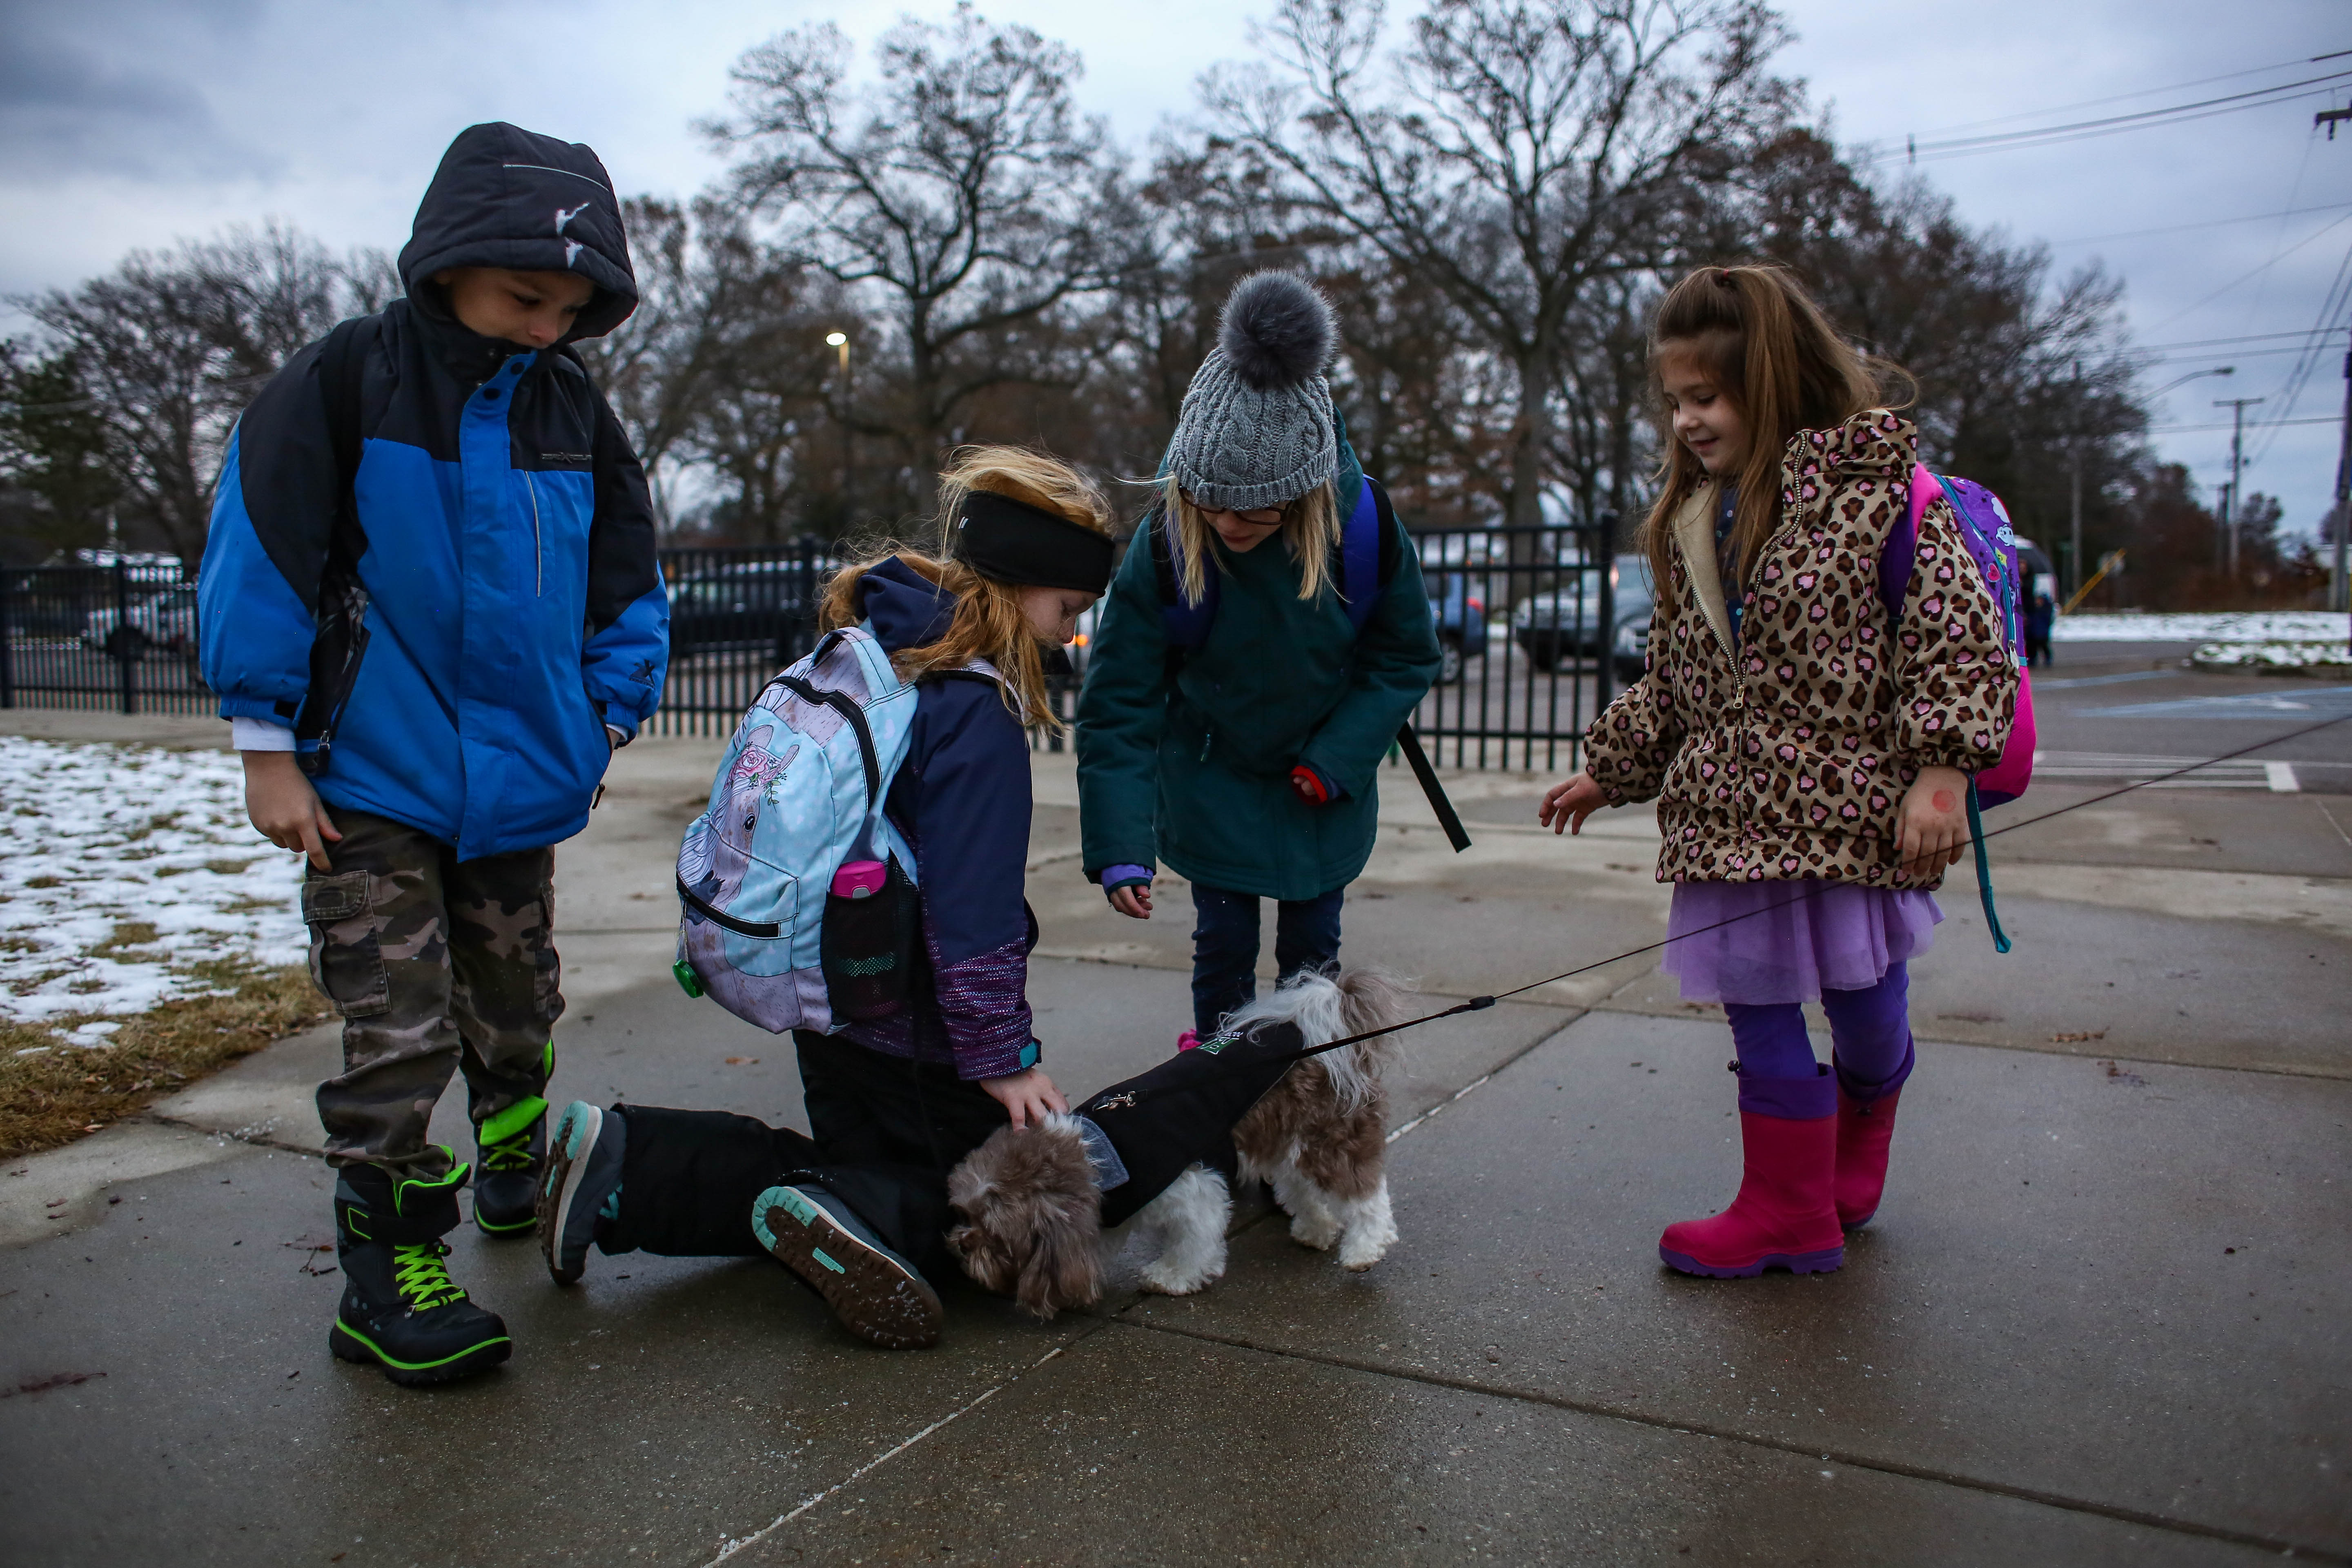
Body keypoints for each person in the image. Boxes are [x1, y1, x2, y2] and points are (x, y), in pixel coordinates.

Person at [198, 123, 668, 1385]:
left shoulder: (574, 405)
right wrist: (265, 744)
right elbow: (262, 547)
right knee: (396, 1029)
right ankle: (389, 1273)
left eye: (570, 309)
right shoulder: (350, 377)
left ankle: (516, 1156)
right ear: (450, 266)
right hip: (366, 783)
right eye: (526, 297)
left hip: (515, 784)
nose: (543, 329)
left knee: (516, 1009)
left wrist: (607, 710)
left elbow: (628, 576)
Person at [536, 447, 1115, 1351]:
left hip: (833, 999)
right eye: (1066, 608)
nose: (1064, 634)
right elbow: (973, 918)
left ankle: (627, 1164)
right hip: (914, 1027)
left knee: (846, 1173)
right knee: (974, 1220)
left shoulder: (876, 654)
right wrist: (1003, 1054)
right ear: (1022, 583)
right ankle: (835, 1210)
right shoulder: (975, 707)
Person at [1539, 264, 2016, 1280]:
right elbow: (1674, 678)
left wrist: (1940, 775)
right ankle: (1788, 1209)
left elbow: (1956, 640)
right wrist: (1609, 771)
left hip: (1853, 818)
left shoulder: (1882, 497)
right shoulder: (1691, 519)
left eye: (1704, 398)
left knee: (1865, 1002)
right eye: (1673, 402)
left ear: (1774, 378)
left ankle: (1868, 1116)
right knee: (1757, 1006)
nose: (1686, 423)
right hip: (1725, 820)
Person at [1076, 272, 1442, 1041]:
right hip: (1212, 777)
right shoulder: (1170, 543)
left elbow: (1405, 655)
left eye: (1250, 509)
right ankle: (1220, 1088)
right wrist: (1119, 848)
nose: (1225, 523)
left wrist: (1339, 757)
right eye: (1207, 501)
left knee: (1313, 962)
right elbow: (1121, 702)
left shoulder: (1363, 529)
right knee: (1224, 951)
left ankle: (1302, 1085)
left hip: (1322, 783)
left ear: (1304, 491)